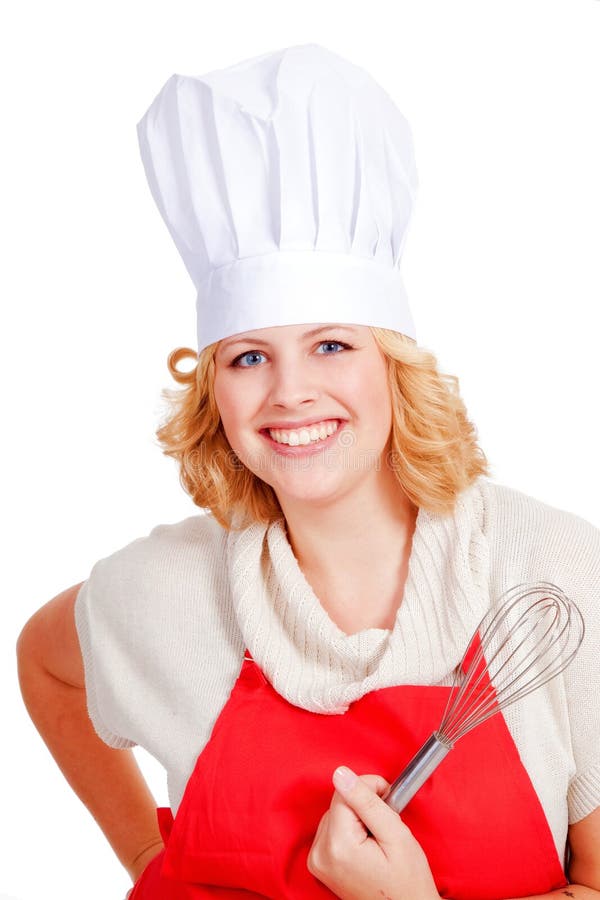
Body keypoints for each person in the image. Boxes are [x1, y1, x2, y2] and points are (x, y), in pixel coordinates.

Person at [16, 43, 600, 900]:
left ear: (392, 366)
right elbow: (44, 664)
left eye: (331, 344)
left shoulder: (549, 572)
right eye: (249, 356)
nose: (291, 393)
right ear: (213, 391)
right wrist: (150, 861)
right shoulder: (162, 592)